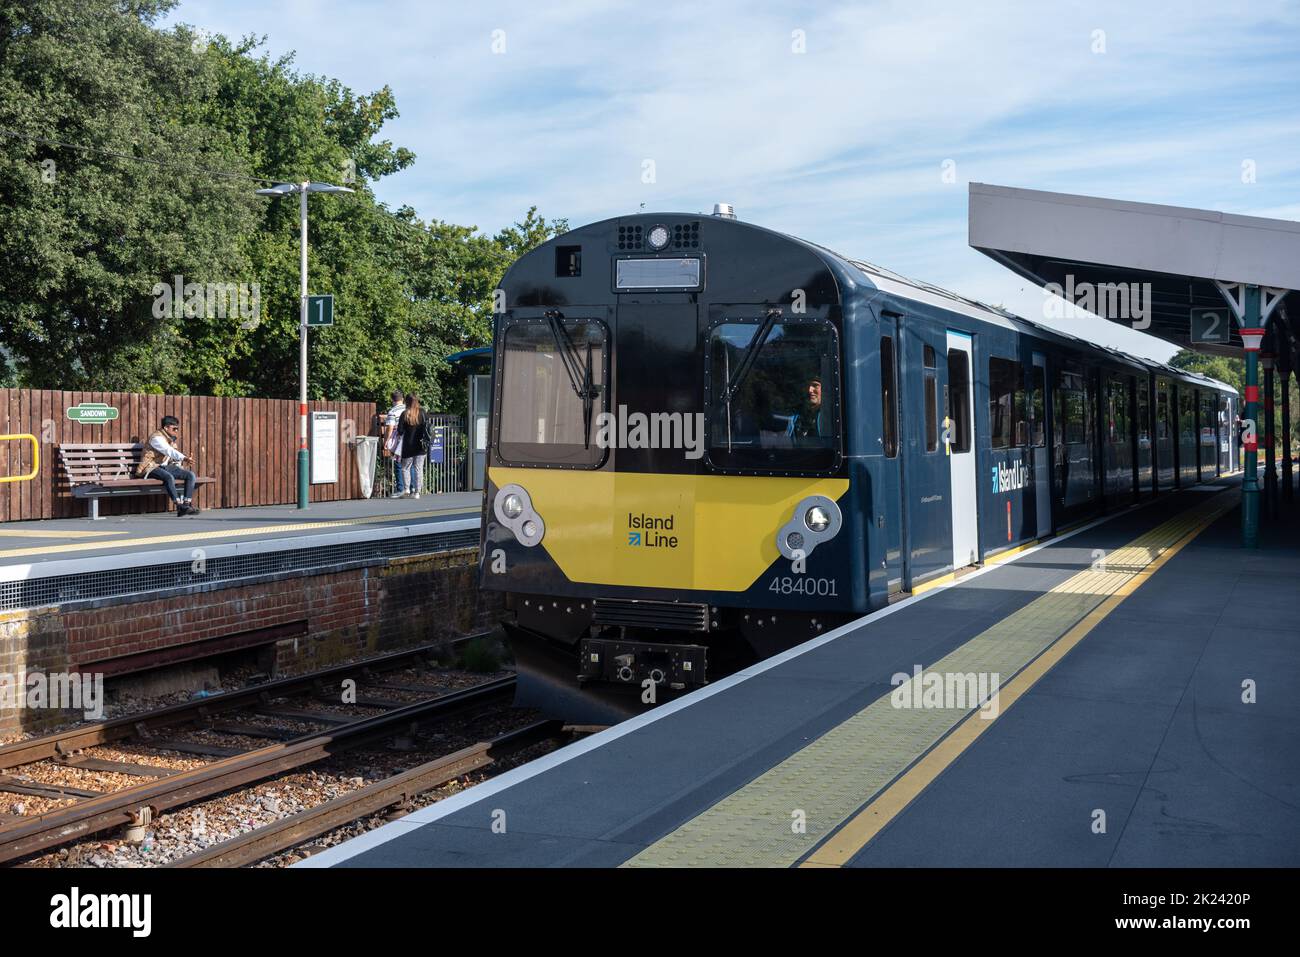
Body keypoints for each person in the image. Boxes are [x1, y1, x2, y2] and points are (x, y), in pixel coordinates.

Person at [136, 415, 202, 516]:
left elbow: (173, 454)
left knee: (190, 475)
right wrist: (184, 458)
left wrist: (182, 462)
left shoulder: (170, 438)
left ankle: (186, 505)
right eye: (174, 428)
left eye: (177, 429)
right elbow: (168, 450)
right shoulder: (156, 438)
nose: (176, 431)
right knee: (169, 477)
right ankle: (179, 506)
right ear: (166, 428)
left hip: (165, 467)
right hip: (150, 467)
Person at [395, 393, 430, 499]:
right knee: (418, 468)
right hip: (421, 445)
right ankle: (417, 492)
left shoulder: (405, 414)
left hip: (408, 445)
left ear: (407, 402)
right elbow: (427, 427)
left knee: (405, 468)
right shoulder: (423, 412)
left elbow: (400, 431)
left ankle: (406, 489)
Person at [383, 390, 408, 498]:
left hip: (399, 441)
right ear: (402, 399)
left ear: (392, 400)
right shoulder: (408, 409)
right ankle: (411, 488)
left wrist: (386, 441)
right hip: (410, 439)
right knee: (409, 464)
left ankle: (401, 489)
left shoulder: (392, 412)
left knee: (398, 464)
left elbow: (390, 428)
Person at [786, 377, 828, 442]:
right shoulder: (795, 420)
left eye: (815, 386)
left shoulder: (829, 418)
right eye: (807, 386)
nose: (810, 390)